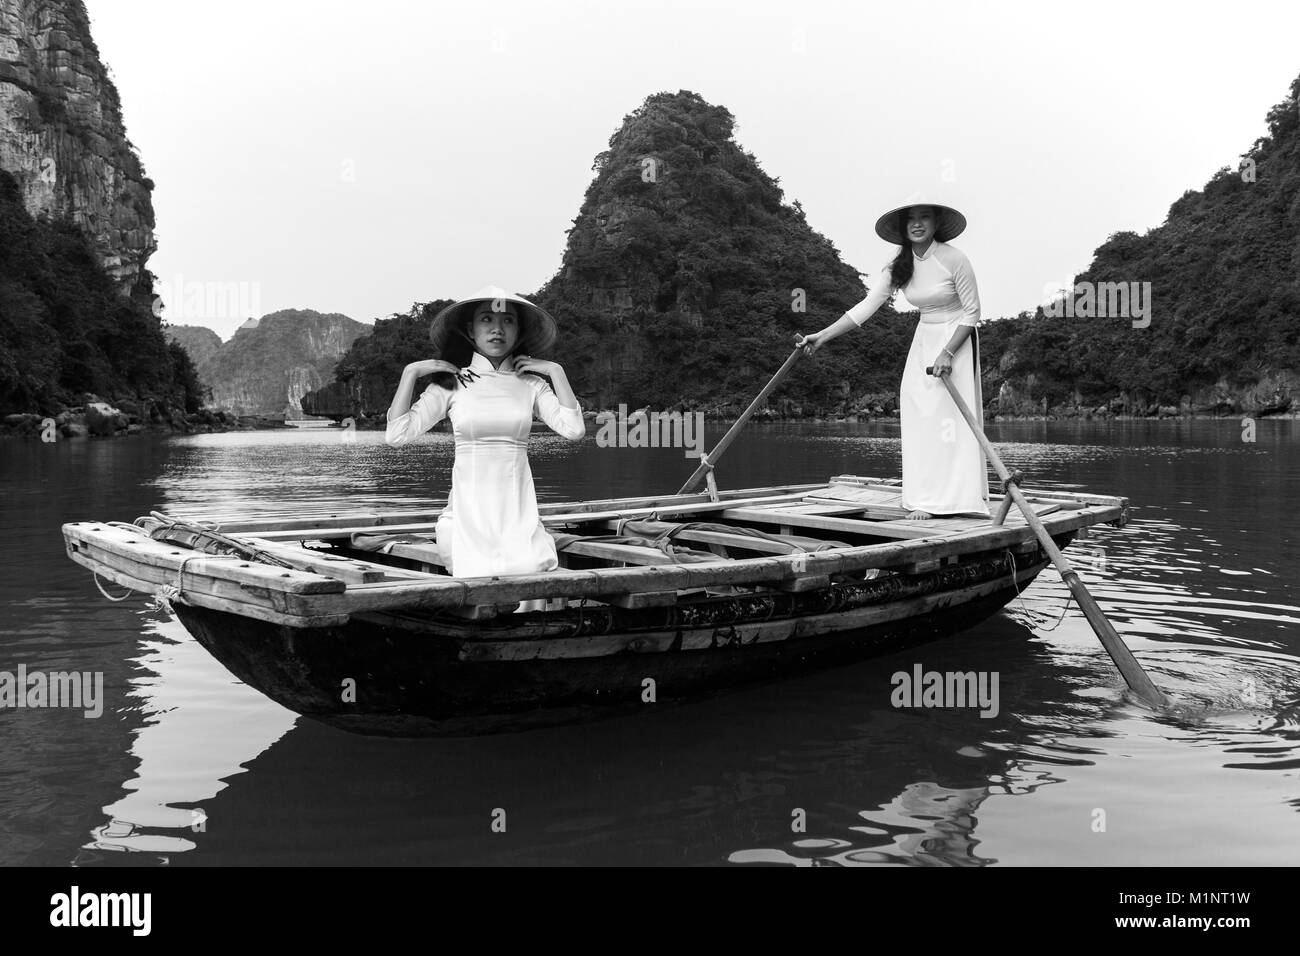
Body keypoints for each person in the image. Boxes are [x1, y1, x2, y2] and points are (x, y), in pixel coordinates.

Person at [796, 202, 989, 519]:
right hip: (924, 337)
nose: (917, 224)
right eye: (911, 219)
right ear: (903, 228)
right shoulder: (899, 266)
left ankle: (948, 501)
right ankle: (923, 495)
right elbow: (865, 307)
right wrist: (822, 336)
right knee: (916, 410)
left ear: (935, 222)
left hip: (956, 340)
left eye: (924, 217)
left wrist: (948, 352)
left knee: (947, 419)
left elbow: (972, 312)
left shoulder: (955, 258)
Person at [385, 285, 586, 584]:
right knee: (474, 565)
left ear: (518, 331)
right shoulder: (451, 383)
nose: (497, 329)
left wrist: (556, 371)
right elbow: (397, 434)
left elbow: (574, 430)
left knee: (528, 564)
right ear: (471, 329)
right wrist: (410, 373)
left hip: (517, 514)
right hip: (468, 516)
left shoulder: (531, 384)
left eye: (507, 321)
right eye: (486, 320)